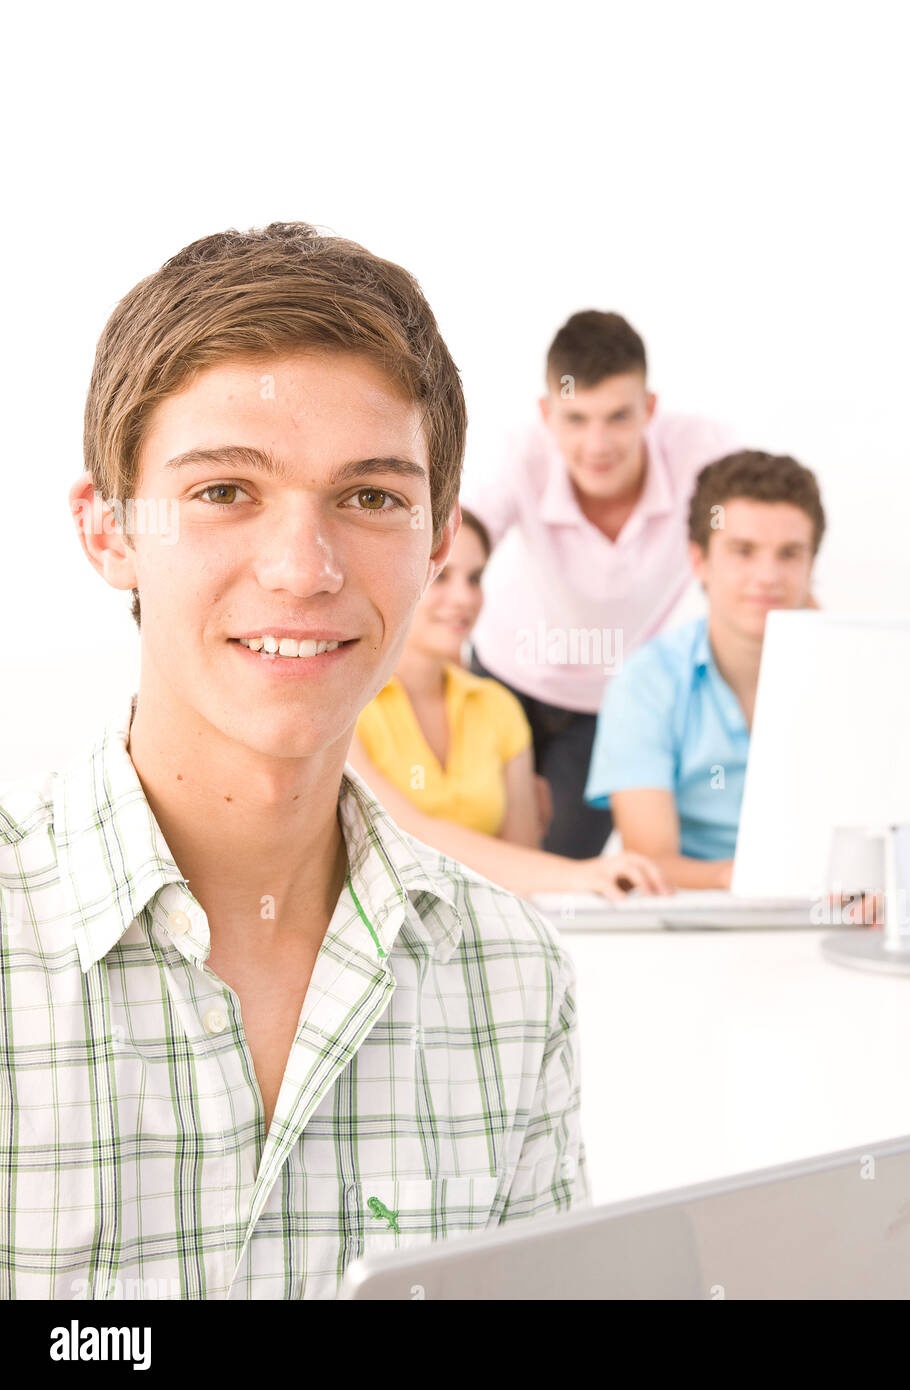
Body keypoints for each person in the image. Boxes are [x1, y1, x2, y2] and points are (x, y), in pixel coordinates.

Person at [0, 222, 589, 1301]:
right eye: (225, 490)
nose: (303, 568)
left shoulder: (513, 974)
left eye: (370, 497)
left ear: (438, 539)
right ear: (108, 531)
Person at [462, 310, 742, 858]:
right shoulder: (519, 455)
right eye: (576, 418)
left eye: (618, 416)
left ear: (650, 409)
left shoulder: (702, 452)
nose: (598, 443)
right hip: (501, 679)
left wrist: (807, 633)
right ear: (547, 413)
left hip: (605, 704)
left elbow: (759, 535)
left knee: (564, 868)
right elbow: (458, 542)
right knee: (482, 854)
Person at [349, 506, 668, 899]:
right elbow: (406, 834)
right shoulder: (347, 700)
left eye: (475, 578)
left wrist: (571, 876)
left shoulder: (496, 707)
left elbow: (521, 864)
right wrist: (577, 875)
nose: (463, 598)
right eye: (441, 576)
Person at [584, 449, 826, 888]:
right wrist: (757, 879)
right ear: (700, 562)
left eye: (790, 554)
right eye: (743, 551)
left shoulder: (849, 671)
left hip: (832, 905)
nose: (768, 576)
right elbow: (650, 862)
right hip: (698, 913)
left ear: (811, 565)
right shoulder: (647, 682)